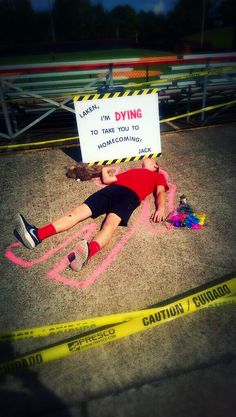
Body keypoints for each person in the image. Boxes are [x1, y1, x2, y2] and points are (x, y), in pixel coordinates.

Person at [14, 158, 169, 271]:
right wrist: (104, 169)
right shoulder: (133, 171)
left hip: (130, 196)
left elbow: (160, 191)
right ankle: (37, 235)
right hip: (111, 190)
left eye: (150, 159)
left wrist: (161, 209)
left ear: (155, 166)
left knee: (109, 224)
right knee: (76, 213)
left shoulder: (157, 175)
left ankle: (87, 255)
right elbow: (108, 180)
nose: (147, 159)